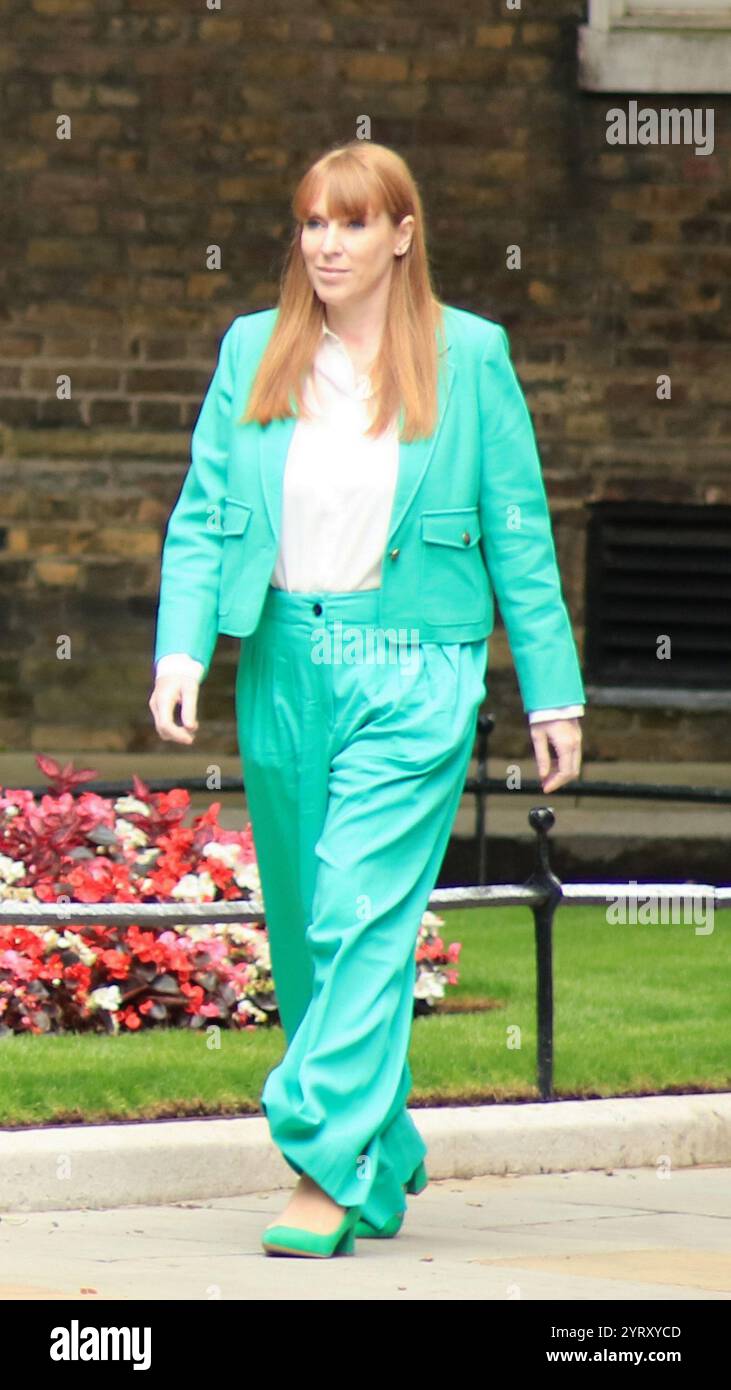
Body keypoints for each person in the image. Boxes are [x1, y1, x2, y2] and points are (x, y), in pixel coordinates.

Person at [148, 140, 585, 1259]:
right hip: (284, 662)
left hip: (416, 664)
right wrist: (181, 648)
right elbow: (205, 509)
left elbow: (520, 532)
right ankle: (379, 1154)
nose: (326, 244)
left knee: (356, 909)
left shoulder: (469, 356)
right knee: (308, 934)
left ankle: (314, 1161)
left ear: (401, 233)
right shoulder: (257, 346)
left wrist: (551, 695)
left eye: (350, 223)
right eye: (310, 223)